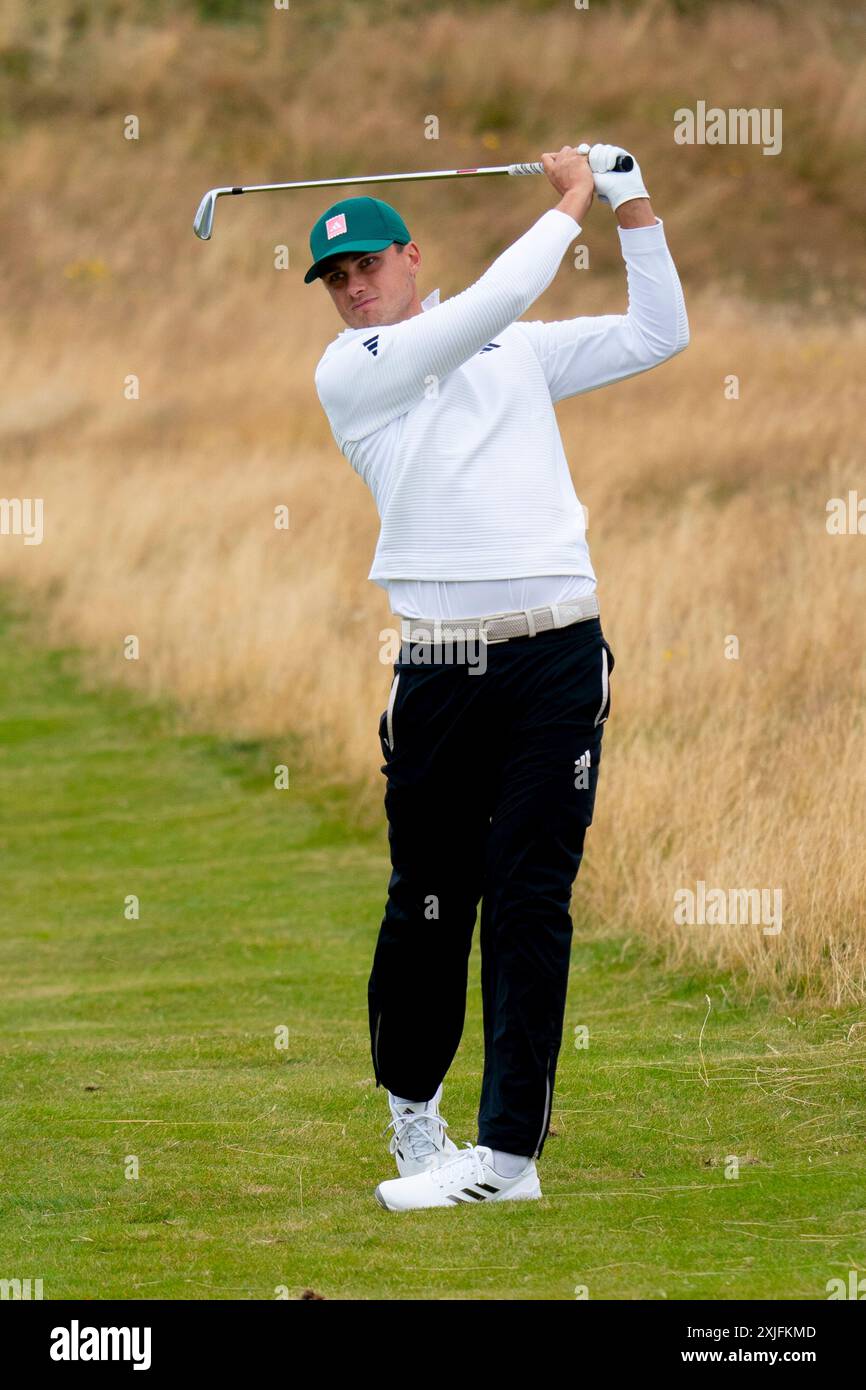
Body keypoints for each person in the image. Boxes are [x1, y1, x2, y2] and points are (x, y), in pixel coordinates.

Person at [308, 143, 689, 1210]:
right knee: (430, 898)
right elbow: (491, 300)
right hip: (440, 663)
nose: (355, 287)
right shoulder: (354, 372)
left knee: (529, 897)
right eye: (336, 279)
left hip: (557, 651)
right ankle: (412, 1109)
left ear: (408, 256)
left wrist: (624, 199)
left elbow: (661, 332)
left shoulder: (513, 353)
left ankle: (506, 1157)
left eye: (369, 264)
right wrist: (568, 196)